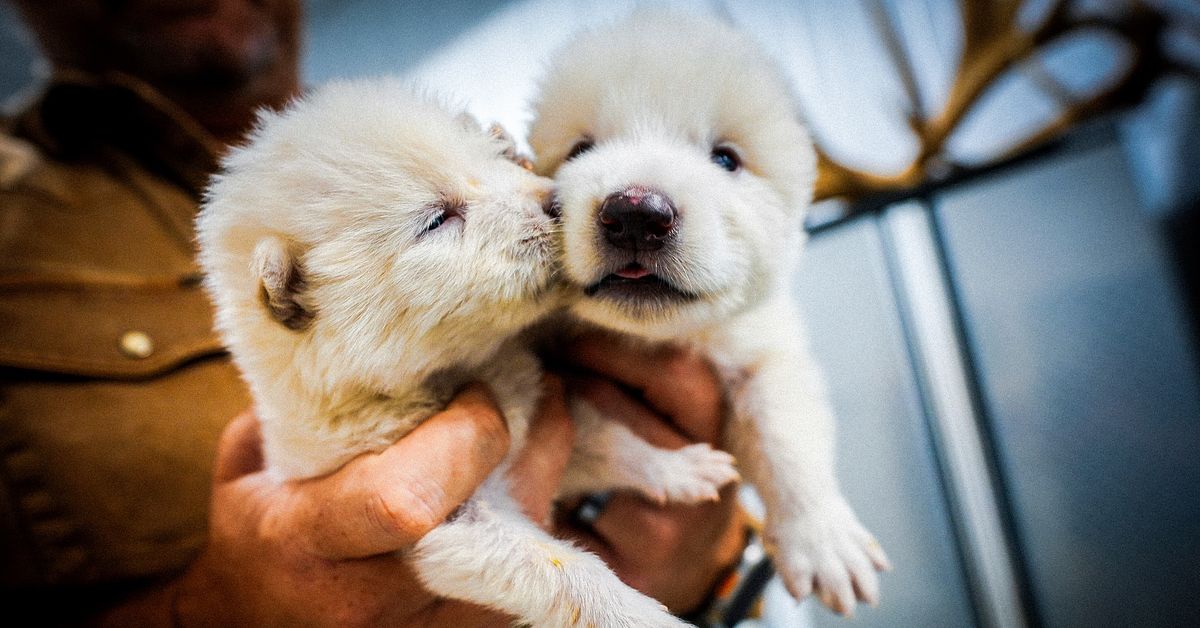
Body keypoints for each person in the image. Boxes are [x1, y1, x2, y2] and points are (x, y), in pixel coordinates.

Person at [0, 0, 748, 624]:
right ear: (293, 295)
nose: (546, 200)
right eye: (436, 220)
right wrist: (217, 612)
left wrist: (713, 561)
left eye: (497, 165)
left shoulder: (394, 126)